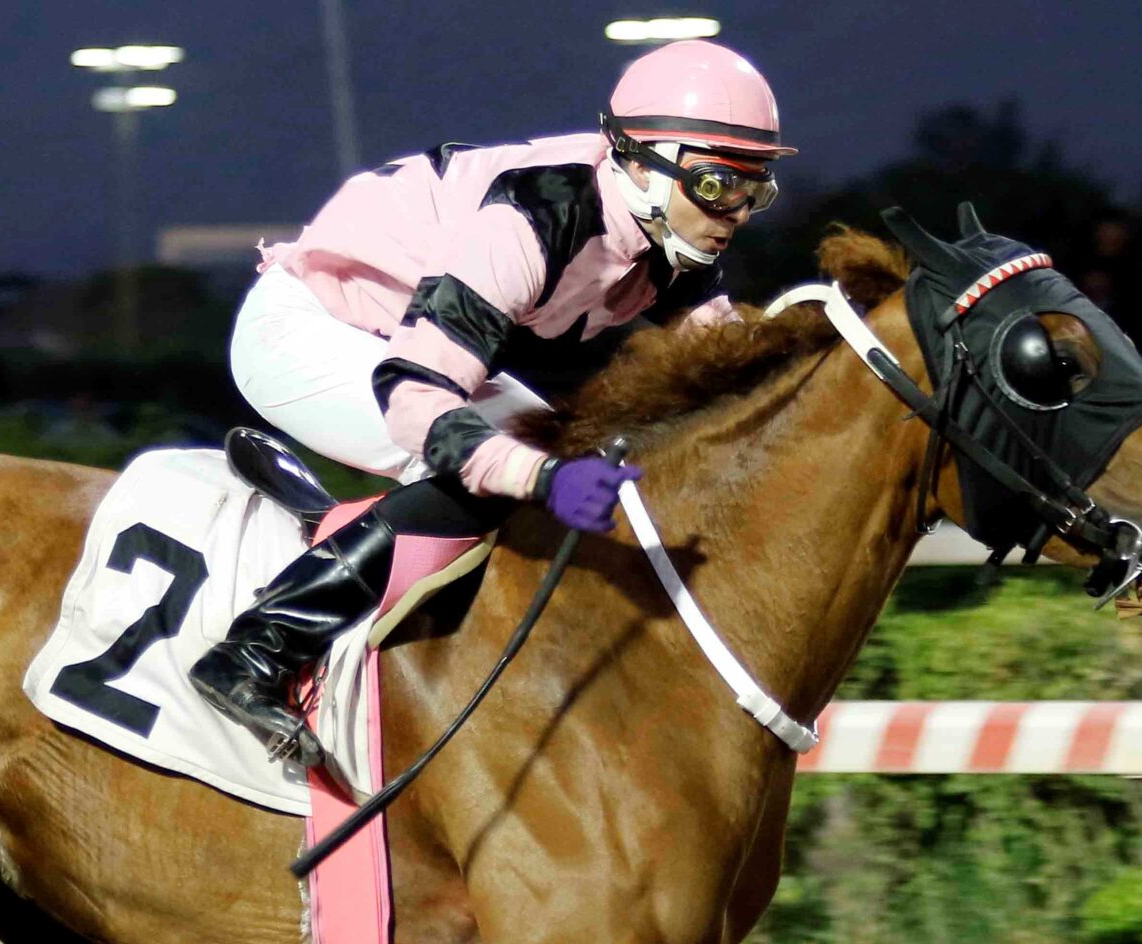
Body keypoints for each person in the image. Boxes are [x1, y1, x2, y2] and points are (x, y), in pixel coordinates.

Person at [189, 40, 794, 769]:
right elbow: (414, 397)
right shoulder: (535, 215)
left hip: (404, 339)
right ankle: (256, 648)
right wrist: (540, 478)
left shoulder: (676, 231)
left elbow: (734, 381)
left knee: (554, 450)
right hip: (313, 330)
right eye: (716, 183)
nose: (733, 213)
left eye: (751, 190)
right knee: (495, 475)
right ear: (639, 159)